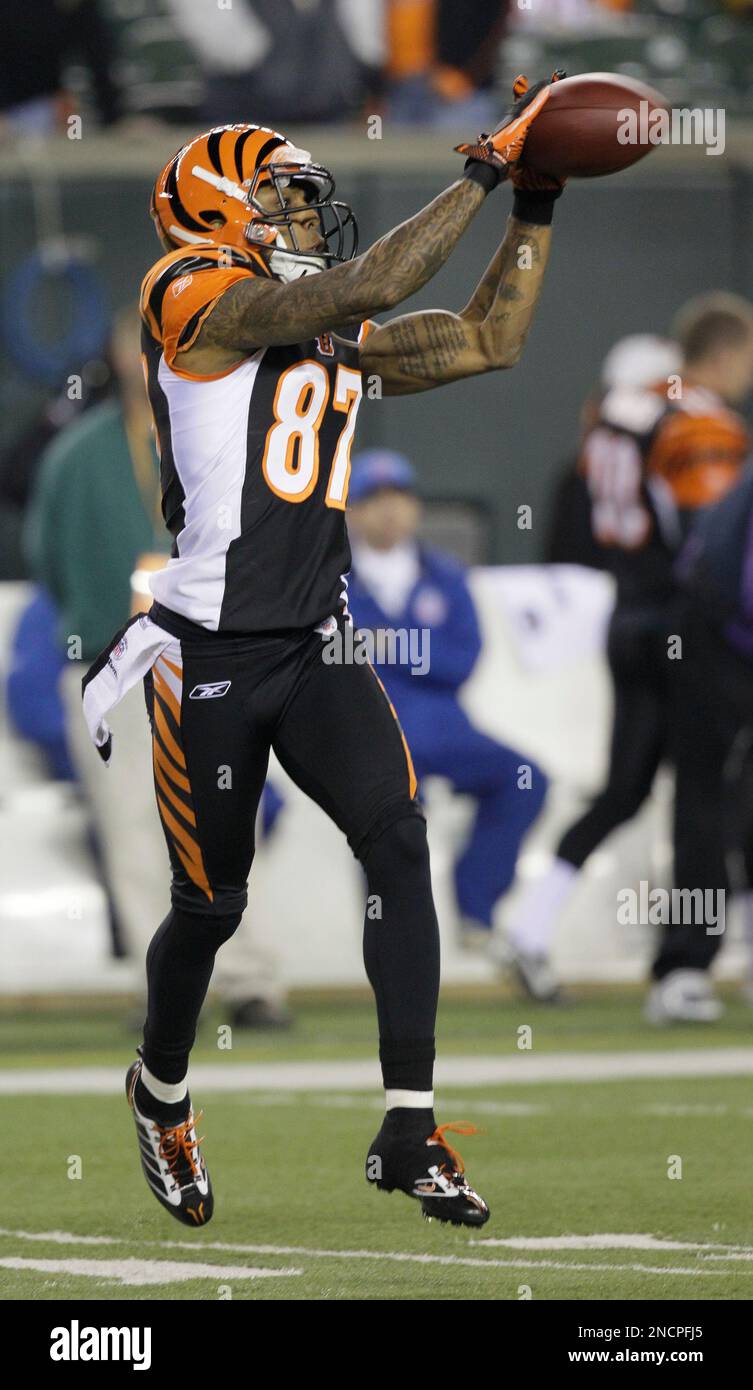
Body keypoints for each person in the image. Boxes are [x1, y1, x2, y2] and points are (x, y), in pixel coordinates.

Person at [81, 78, 566, 1229]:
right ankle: (160, 1090)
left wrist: (535, 206)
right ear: (220, 210)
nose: (305, 221)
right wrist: (485, 169)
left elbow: (488, 339)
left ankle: (410, 1125)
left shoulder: (314, 321)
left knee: (398, 839)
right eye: (284, 202)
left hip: (314, 642)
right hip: (207, 653)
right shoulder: (188, 291)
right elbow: (377, 280)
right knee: (211, 907)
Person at [25, 305, 289, 1028]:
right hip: (114, 665)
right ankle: (166, 992)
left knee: (227, 822)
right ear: (116, 353)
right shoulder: (78, 454)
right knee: (135, 828)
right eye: (137, 337)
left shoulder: (228, 434)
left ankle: (250, 980)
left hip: (210, 657)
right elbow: (46, 557)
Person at [508, 299, 753, 1018]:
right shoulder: (701, 418)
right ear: (726, 353)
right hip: (689, 628)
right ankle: (684, 969)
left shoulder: (622, 411)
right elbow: (710, 542)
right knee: (707, 795)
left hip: (627, 618)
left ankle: (527, 926)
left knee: (626, 789)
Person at [347, 448, 547, 958]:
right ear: (351, 510)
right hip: (370, 733)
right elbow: (332, 659)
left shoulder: (445, 574)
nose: (389, 511)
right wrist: (413, 647)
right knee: (389, 810)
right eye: (373, 499)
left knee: (524, 778)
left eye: (400, 497)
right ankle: (394, 941)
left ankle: (476, 907)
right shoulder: (333, 580)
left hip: (443, 726)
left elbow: (463, 658)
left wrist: (384, 643)